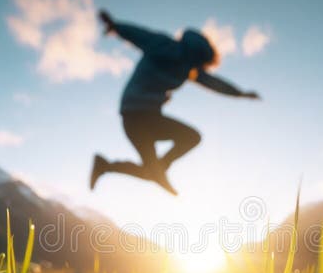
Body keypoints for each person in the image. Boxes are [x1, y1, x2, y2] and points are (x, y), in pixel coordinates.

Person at [90, 10, 260, 195]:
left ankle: (123, 167)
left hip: (144, 115)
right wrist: (115, 26)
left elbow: (213, 83)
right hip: (136, 115)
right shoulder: (163, 46)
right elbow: (138, 34)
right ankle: (156, 170)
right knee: (189, 139)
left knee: (166, 159)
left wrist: (240, 93)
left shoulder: (188, 66)